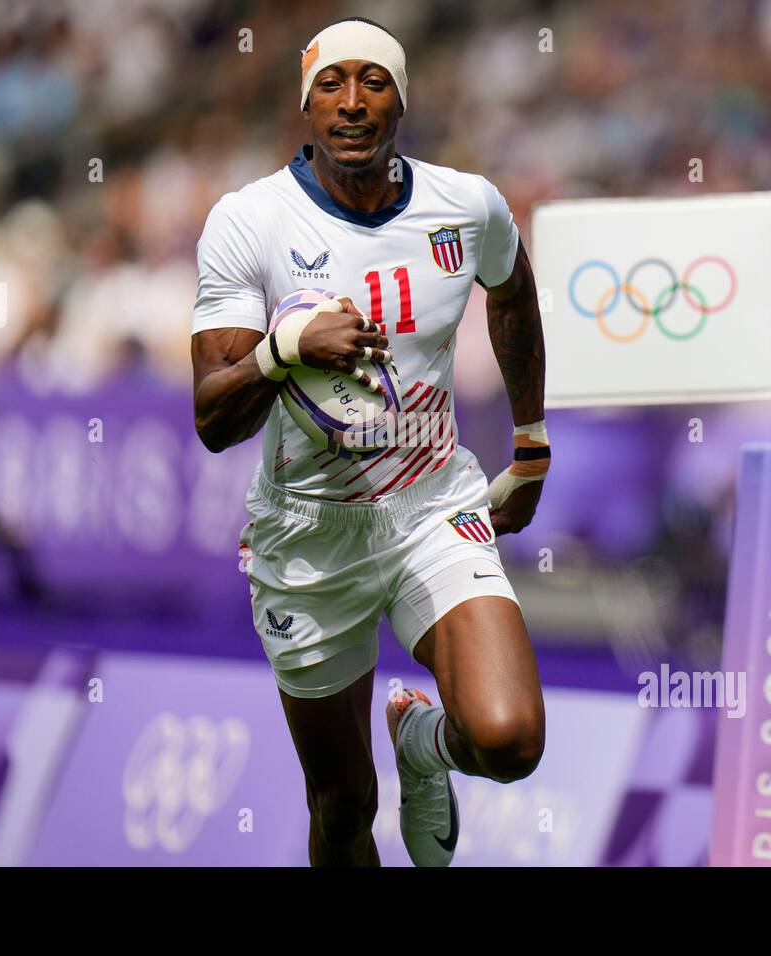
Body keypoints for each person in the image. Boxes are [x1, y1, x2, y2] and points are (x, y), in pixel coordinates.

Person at [190, 17, 549, 866]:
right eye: (331, 84)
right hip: (308, 533)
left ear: (401, 99)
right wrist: (285, 351)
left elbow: (514, 291)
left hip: (432, 508)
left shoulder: (465, 204)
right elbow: (212, 418)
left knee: (509, 740)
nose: (353, 102)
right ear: (306, 105)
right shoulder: (250, 222)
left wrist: (529, 441)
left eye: (374, 81)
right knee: (344, 804)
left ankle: (425, 743)